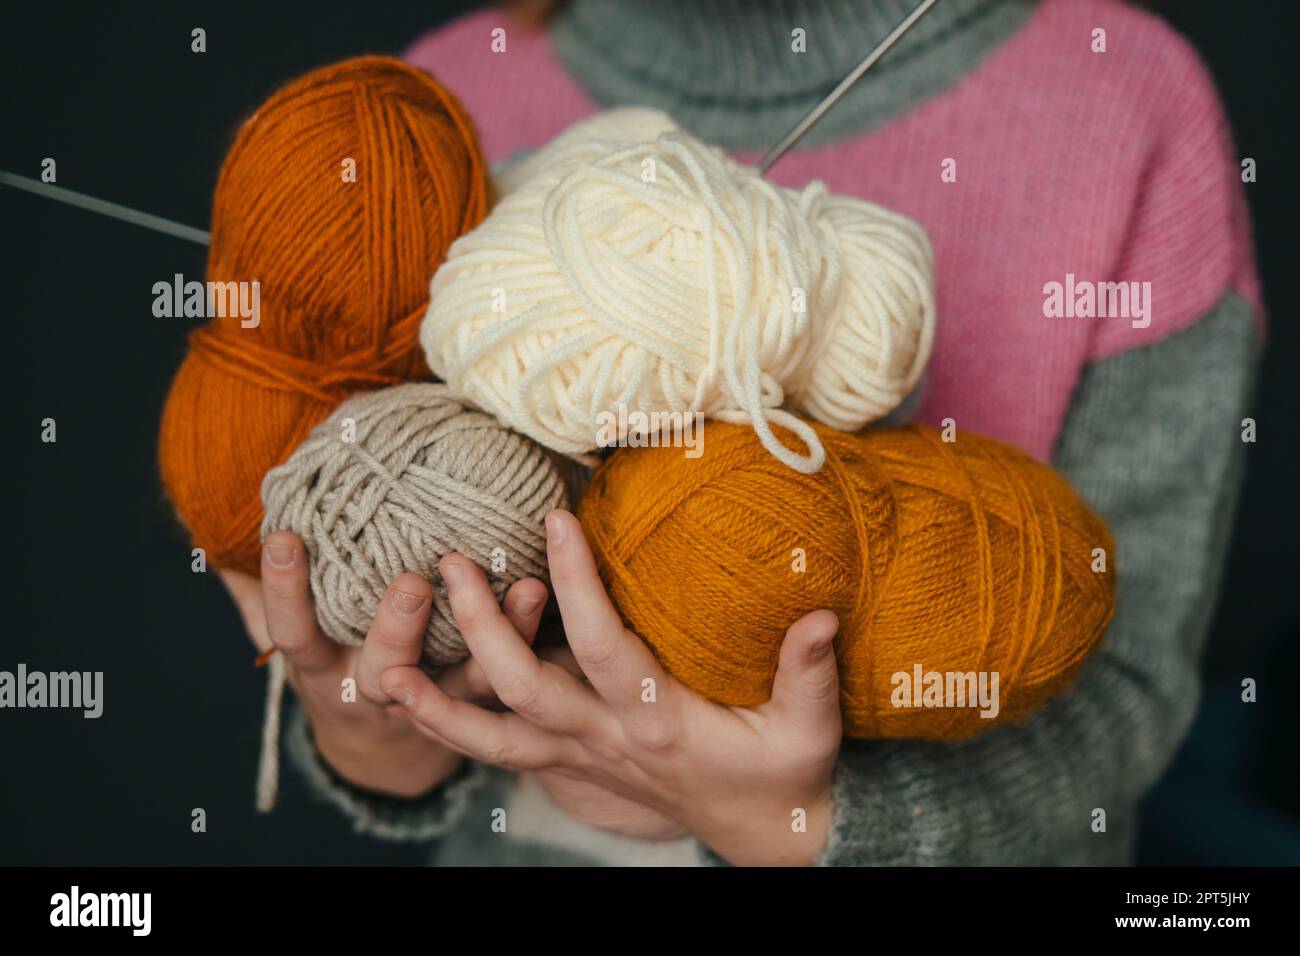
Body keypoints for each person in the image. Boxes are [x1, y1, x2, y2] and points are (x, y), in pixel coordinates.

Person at [223, 0, 1263, 865]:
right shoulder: (436, 106)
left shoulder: (1119, 92)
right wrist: (371, 725)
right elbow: (402, 700)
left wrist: (803, 822)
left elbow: (1125, 690)